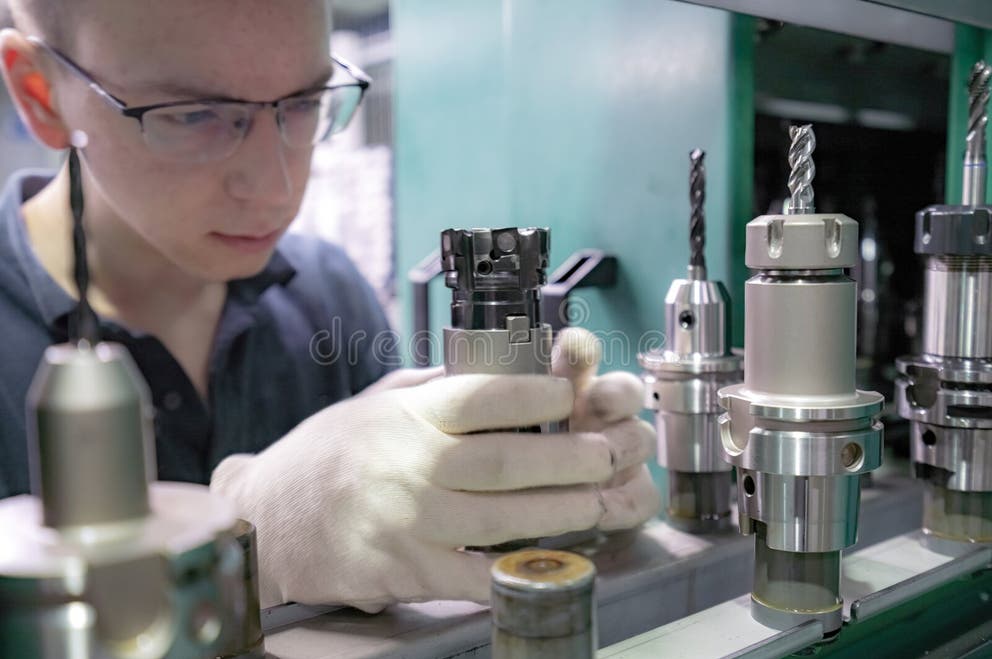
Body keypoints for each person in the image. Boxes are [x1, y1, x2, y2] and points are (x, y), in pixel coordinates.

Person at [0, 0, 660, 611]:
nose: (276, 183)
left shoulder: (327, 294)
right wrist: (251, 545)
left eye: (304, 103)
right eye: (194, 114)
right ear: (41, 93)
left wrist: (523, 492)